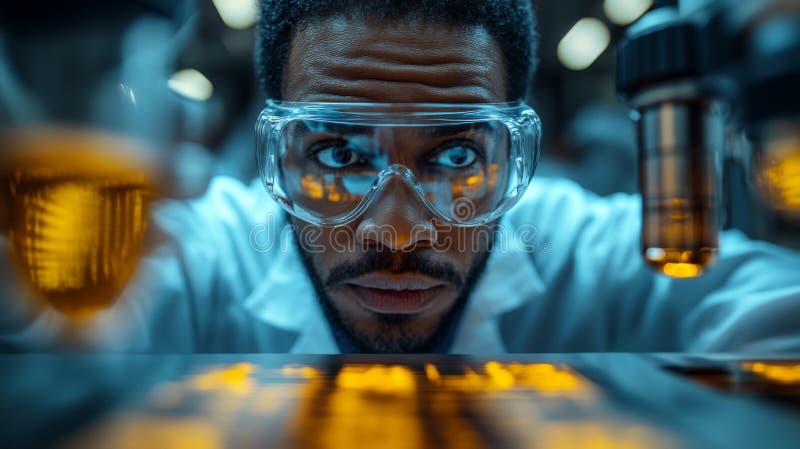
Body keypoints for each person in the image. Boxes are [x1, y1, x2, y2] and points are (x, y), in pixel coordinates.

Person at [2, 0, 799, 354]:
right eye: (338, 155)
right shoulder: (212, 256)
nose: (396, 231)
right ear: (278, 153)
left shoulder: (582, 255)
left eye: (455, 158)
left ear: (512, 156)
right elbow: (41, 332)